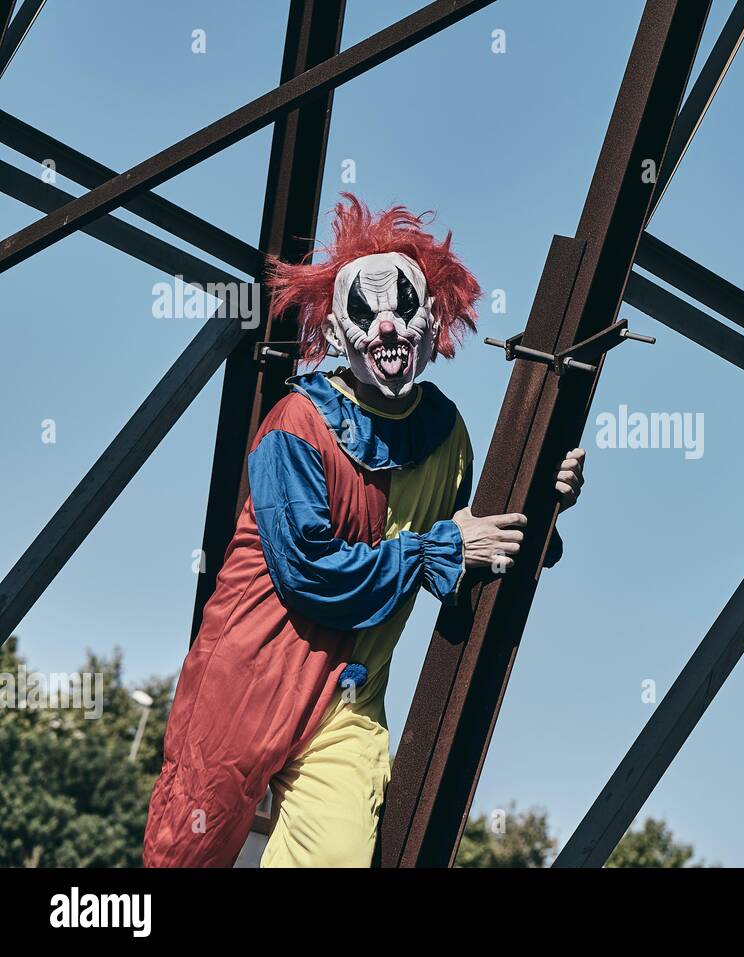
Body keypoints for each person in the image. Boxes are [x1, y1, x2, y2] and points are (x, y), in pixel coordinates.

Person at [143, 194, 584, 867]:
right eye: (363, 312)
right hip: (245, 686)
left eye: (401, 306)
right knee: (182, 856)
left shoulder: (447, 437)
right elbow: (313, 573)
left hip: (345, 702)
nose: (384, 327)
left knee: (341, 855)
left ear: (432, 317)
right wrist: (445, 545)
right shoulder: (297, 424)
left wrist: (542, 503)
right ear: (339, 333)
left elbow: (470, 549)